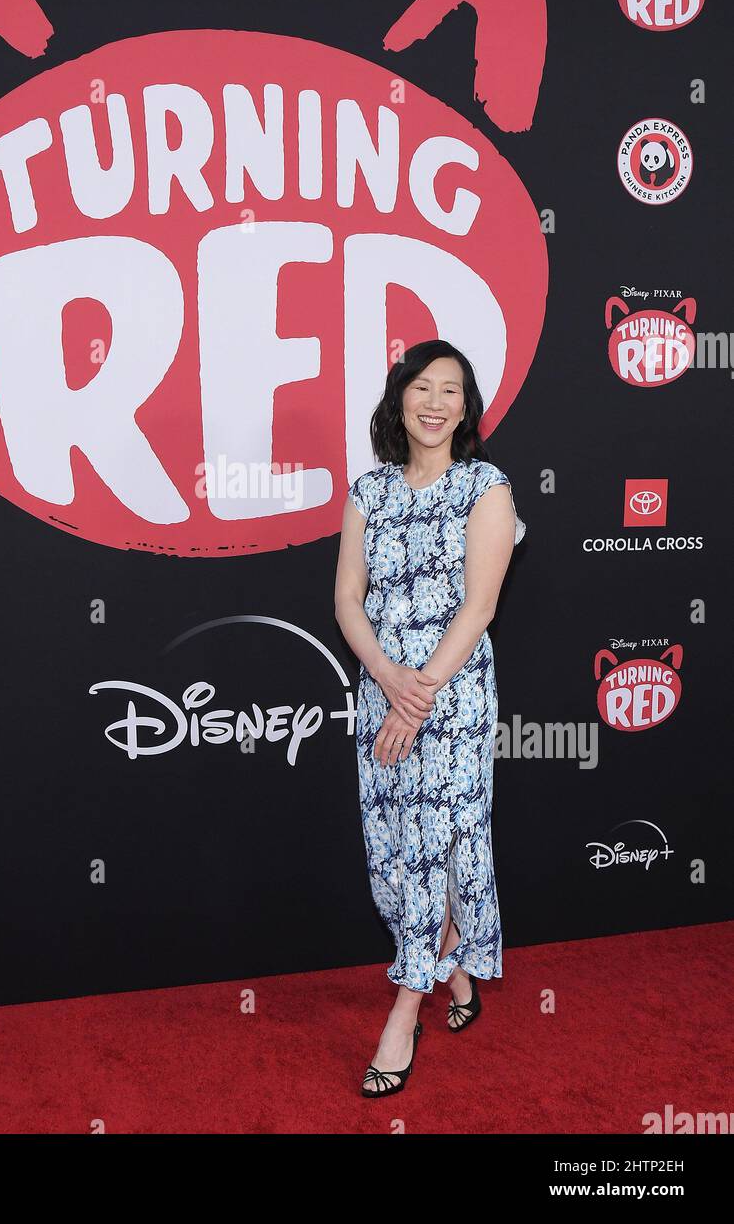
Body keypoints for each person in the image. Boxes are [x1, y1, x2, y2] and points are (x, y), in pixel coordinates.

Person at [334, 339, 526, 1098]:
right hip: (382, 692)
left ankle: (403, 1011)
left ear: (466, 408)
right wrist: (388, 679)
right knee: (391, 854)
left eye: (453, 390)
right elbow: (348, 598)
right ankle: (457, 976)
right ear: (400, 398)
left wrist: (423, 691)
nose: (437, 402)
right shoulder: (368, 492)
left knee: (436, 849)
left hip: (453, 700)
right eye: (423, 387)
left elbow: (479, 607)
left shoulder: (487, 486)